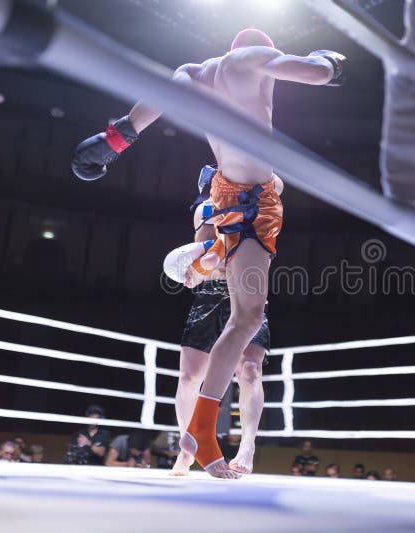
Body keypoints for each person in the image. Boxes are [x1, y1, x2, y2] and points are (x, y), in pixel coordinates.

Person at [73, 28, 346, 479]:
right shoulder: (255, 58)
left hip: (224, 192)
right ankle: (202, 428)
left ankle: (201, 427)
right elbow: (316, 74)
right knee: (248, 318)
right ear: (261, 51)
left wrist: (112, 143)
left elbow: (150, 107)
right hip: (256, 198)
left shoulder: (194, 72)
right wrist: (330, 61)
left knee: (245, 319)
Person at [164, 165, 283, 477]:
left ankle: (247, 446)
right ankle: (187, 447)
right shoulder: (205, 209)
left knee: (251, 369)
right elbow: (211, 245)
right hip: (211, 291)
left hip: (246, 290)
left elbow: (277, 188)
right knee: (189, 375)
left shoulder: (263, 197)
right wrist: (199, 267)